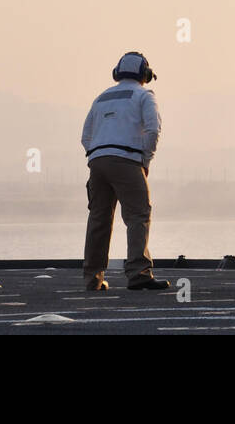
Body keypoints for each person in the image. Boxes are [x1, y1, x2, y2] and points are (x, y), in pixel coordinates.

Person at [80, 52, 170, 291]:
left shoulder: (101, 98)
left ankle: (93, 277)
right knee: (138, 215)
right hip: (128, 159)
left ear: (117, 73)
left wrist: (96, 154)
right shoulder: (145, 95)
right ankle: (138, 272)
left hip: (97, 161)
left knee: (99, 218)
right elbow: (153, 130)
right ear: (146, 75)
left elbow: (85, 136)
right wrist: (145, 160)